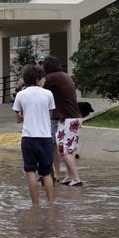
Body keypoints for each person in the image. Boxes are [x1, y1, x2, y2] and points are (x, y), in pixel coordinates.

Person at [12, 63, 56, 204]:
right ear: (37, 79)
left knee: (30, 171)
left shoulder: (21, 95)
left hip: (28, 138)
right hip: (45, 138)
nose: (45, 80)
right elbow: (50, 114)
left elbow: (18, 119)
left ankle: (35, 205)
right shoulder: (48, 94)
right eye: (43, 78)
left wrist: (24, 115)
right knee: (47, 173)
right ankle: (51, 204)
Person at [41, 55, 84, 187]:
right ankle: (69, 177)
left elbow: (39, 89)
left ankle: (76, 178)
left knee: (63, 150)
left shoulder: (52, 77)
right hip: (75, 118)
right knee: (70, 149)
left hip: (67, 119)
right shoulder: (65, 75)